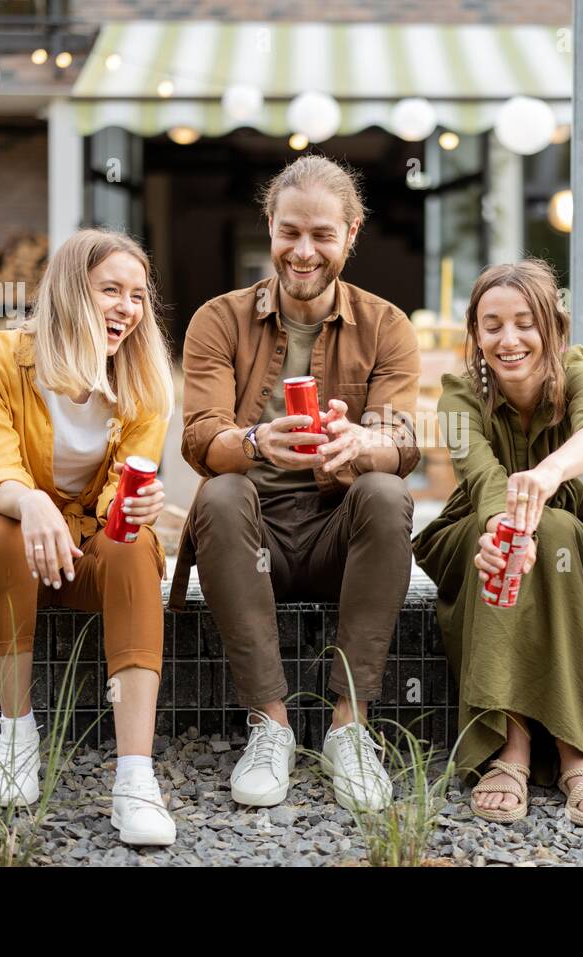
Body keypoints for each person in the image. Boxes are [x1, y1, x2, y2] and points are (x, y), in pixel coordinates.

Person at [171, 155, 420, 813]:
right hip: (252, 538)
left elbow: (403, 442)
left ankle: (350, 727)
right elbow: (199, 438)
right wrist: (252, 442)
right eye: (290, 232)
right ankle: (270, 723)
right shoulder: (218, 320)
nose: (303, 251)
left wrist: (365, 443)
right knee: (220, 491)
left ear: (352, 233)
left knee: (388, 492)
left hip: (340, 533)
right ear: (270, 226)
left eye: (322, 235)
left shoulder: (386, 325)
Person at [0, 228, 177, 845]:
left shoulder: (144, 382)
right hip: (9, 551)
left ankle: (134, 776)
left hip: (90, 555)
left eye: (137, 295)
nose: (127, 309)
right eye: (111, 290)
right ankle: (17, 736)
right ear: (70, 291)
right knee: (2, 532)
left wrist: (138, 503)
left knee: (133, 543)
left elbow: (120, 495)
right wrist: (32, 505)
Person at [412, 259, 583, 829]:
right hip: (473, 533)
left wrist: (546, 476)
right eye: (492, 325)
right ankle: (513, 745)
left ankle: (574, 746)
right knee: (519, 549)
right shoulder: (459, 394)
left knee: (554, 531)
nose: (508, 340)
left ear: (552, 327)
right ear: (476, 334)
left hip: (557, 533)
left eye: (525, 323)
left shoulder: (577, 371)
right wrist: (504, 532)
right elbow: (482, 479)